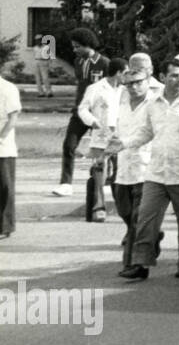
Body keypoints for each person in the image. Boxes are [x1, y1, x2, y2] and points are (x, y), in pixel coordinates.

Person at [111, 58, 179, 281]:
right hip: (157, 171)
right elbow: (147, 131)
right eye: (174, 75)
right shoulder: (153, 102)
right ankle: (141, 263)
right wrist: (124, 143)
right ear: (163, 77)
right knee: (146, 217)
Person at [108, 64, 160, 275]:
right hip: (123, 169)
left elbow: (155, 133)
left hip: (146, 168)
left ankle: (136, 265)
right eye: (129, 84)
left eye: (138, 82)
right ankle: (153, 237)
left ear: (148, 81)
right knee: (127, 215)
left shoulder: (155, 104)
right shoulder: (122, 104)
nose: (134, 87)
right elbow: (115, 132)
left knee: (137, 220)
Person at [52, 28, 107, 200]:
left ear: (87, 45)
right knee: (69, 146)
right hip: (79, 111)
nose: (75, 50)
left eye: (77, 47)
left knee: (102, 149)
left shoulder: (104, 63)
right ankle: (66, 184)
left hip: (98, 113)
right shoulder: (78, 62)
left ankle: (105, 183)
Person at [77, 57, 127, 223]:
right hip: (101, 132)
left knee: (120, 170)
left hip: (119, 133)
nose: (126, 77)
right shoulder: (96, 88)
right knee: (100, 168)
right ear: (118, 72)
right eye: (125, 73)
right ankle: (99, 205)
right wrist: (92, 121)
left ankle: (123, 206)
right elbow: (82, 109)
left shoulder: (124, 90)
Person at [0, 72, 19, 239]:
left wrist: (0, 137)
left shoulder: (8, 89)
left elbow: (12, 119)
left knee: (5, 187)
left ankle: (6, 226)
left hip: (3, 148)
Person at [33, 33, 53, 98]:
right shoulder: (35, 48)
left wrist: (49, 65)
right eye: (36, 40)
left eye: (39, 40)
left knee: (45, 78)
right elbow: (34, 55)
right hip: (37, 61)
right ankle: (40, 93)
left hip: (44, 62)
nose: (38, 41)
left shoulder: (46, 47)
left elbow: (50, 56)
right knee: (38, 78)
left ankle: (49, 92)